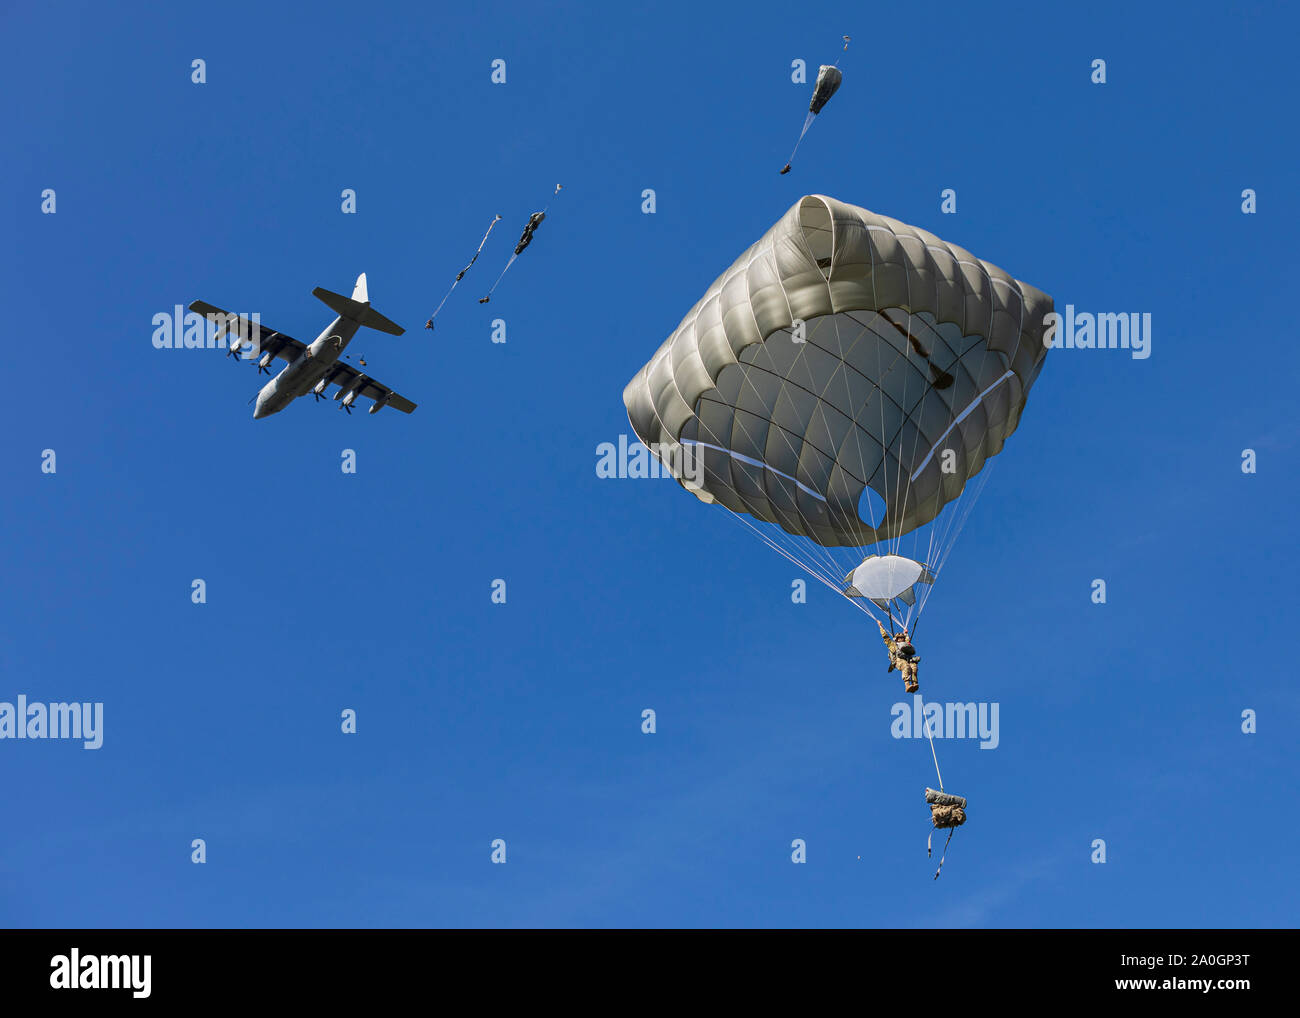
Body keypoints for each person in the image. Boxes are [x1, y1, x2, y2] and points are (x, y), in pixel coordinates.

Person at [877, 620, 919, 693]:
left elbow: (907, 640)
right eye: (899, 638)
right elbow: (885, 637)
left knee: (913, 667)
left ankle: (914, 684)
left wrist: (905, 633)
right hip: (898, 661)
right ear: (896, 639)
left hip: (908, 659)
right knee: (906, 666)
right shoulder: (893, 645)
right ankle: (907, 685)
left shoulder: (905, 644)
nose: (901, 639)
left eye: (902, 638)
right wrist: (880, 626)